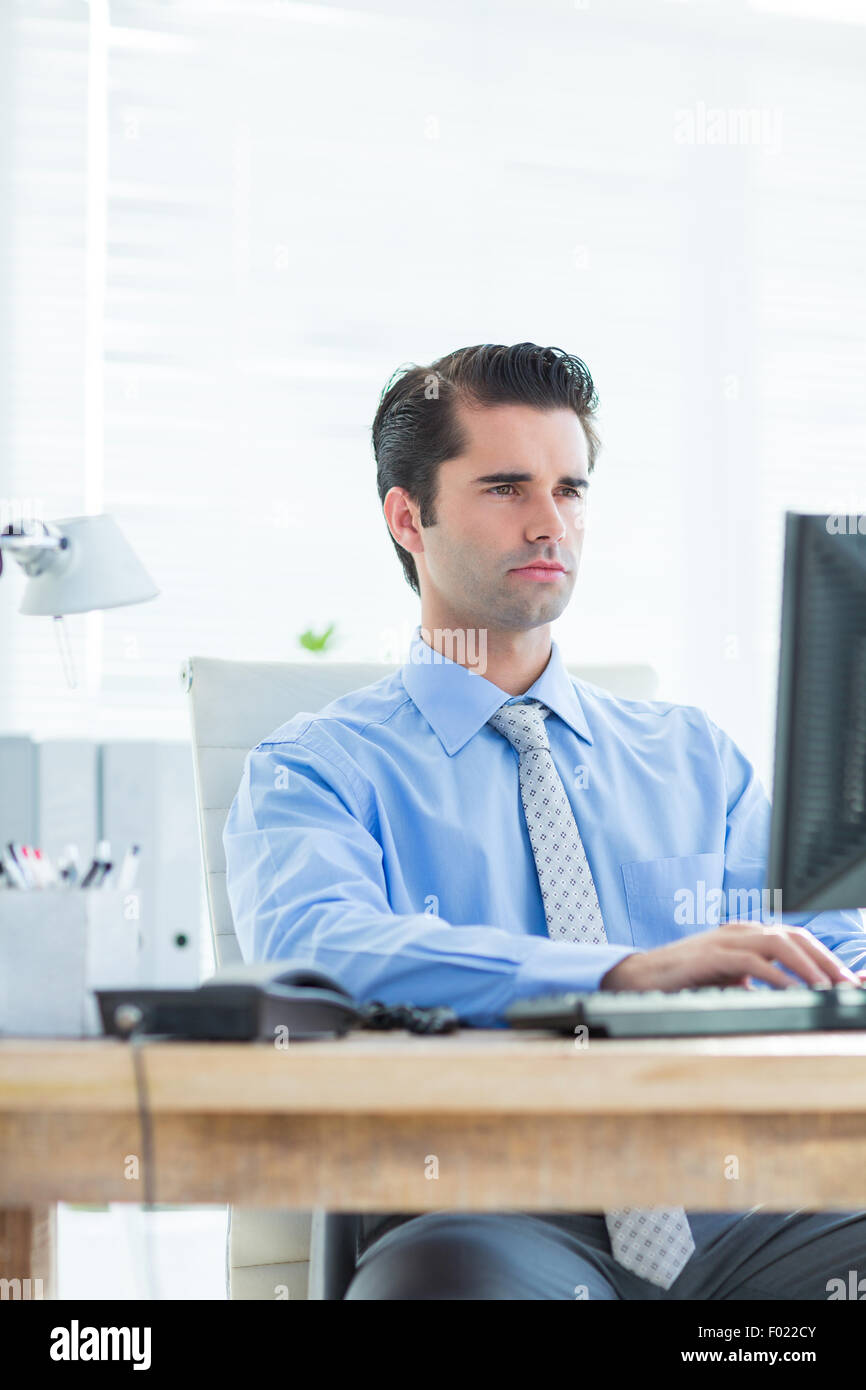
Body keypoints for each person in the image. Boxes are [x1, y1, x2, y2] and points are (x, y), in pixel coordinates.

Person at [223, 342, 866, 1299]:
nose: (547, 524)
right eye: (505, 488)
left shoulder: (695, 757)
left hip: (739, 1217)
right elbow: (325, 948)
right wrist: (620, 975)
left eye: (570, 490)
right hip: (488, 1214)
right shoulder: (316, 768)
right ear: (408, 517)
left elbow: (830, 939)